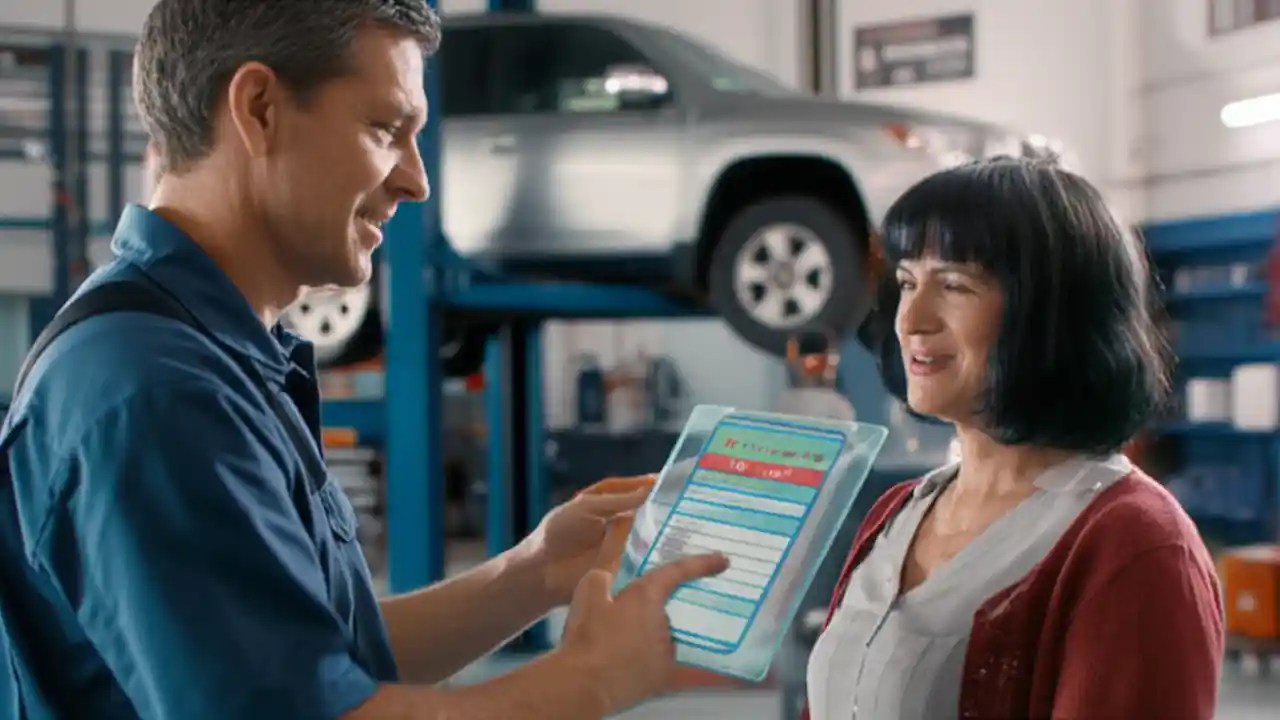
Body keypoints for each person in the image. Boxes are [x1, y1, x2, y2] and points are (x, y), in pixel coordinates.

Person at [0, 2, 728, 719]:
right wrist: (591, 681)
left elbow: (312, 663)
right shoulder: (152, 392)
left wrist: (534, 573)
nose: (416, 181)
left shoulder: (212, 359)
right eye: (386, 129)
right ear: (258, 110)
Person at [804, 157, 1225, 719]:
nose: (912, 319)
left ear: (1049, 315)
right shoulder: (898, 512)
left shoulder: (1134, 544)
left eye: (954, 285)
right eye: (908, 282)